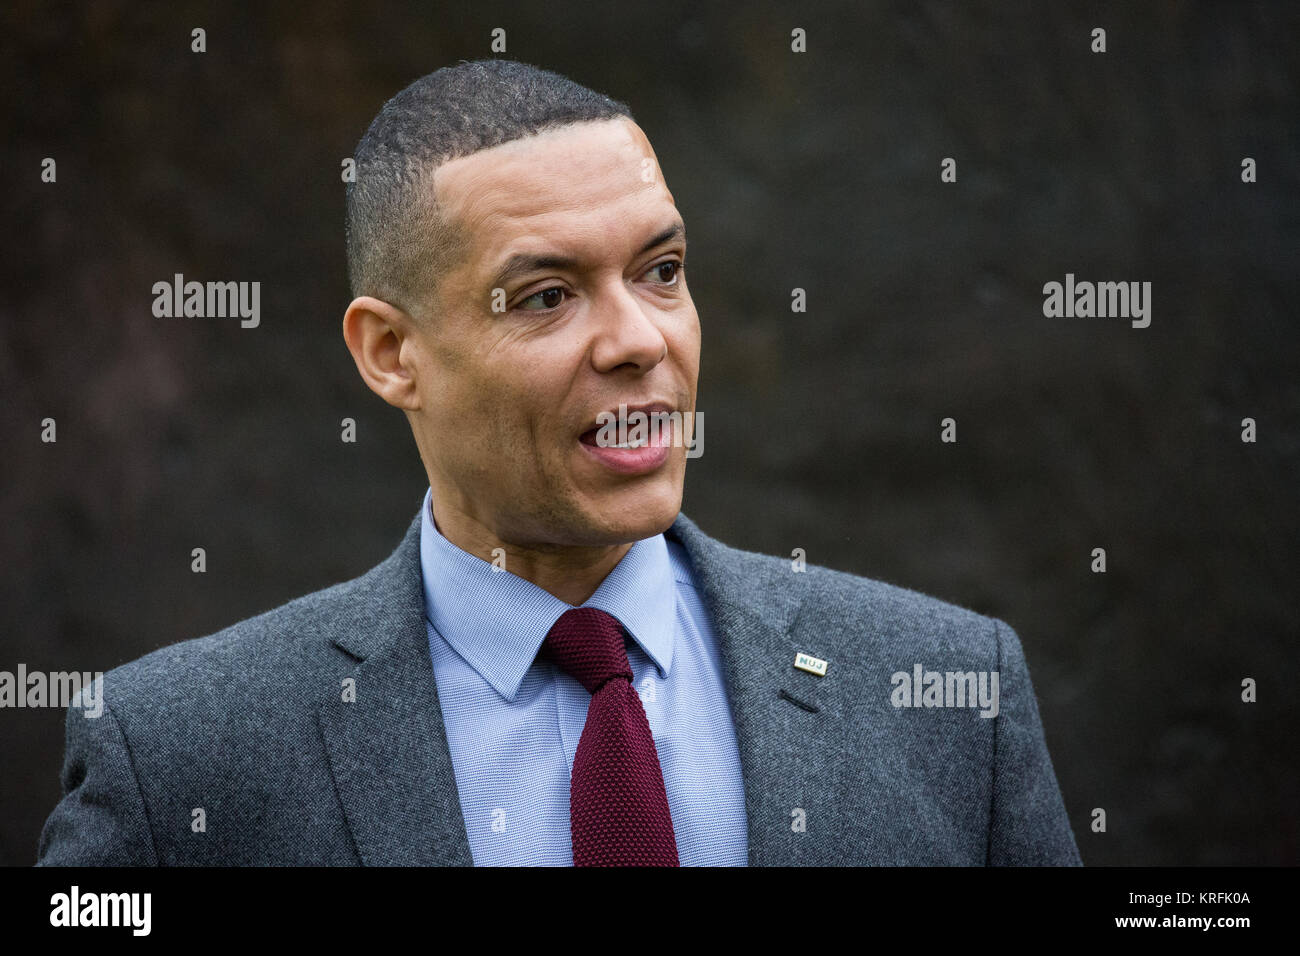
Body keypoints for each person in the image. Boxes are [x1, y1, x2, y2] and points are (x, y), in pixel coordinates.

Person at [37, 59, 1080, 866]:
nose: (637, 340)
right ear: (391, 354)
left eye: (661, 271)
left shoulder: (949, 696)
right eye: (546, 295)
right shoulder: (181, 753)